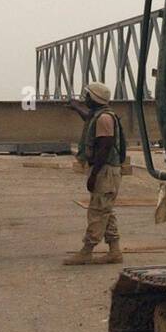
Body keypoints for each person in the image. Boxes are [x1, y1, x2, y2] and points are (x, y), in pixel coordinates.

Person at [64, 81, 124, 266]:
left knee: (97, 212)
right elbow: (90, 119)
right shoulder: (100, 116)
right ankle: (114, 251)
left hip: (104, 170)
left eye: (87, 96)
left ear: (95, 98)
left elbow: (104, 147)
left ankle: (87, 251)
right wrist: (76, 108)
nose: (85, 99)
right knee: (106, 210)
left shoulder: (104, 119)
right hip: (106, 170)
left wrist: (94, 174)